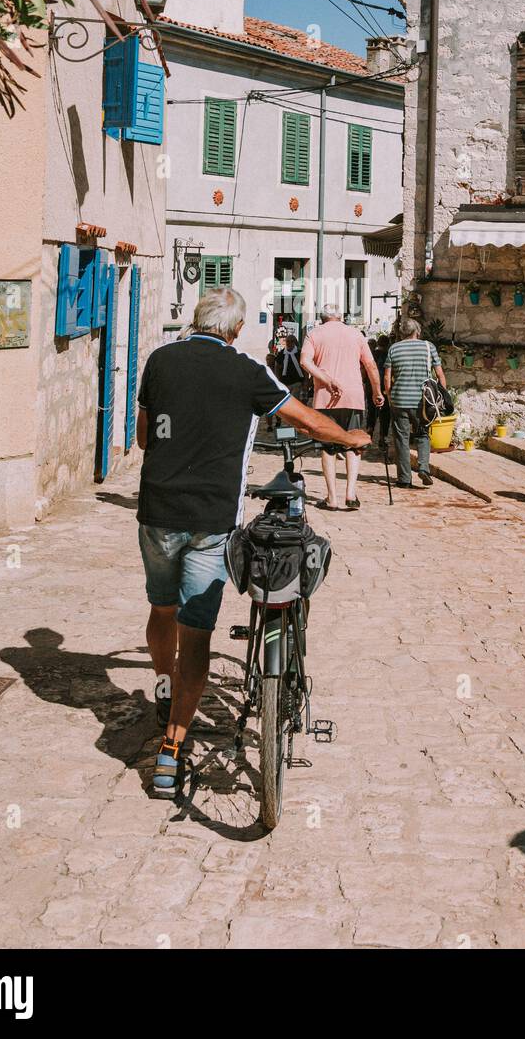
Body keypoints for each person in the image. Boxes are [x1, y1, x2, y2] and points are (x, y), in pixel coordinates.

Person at [136, 287, 369, 796]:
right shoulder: (246, 370)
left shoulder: (159, 361)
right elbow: (304, 418)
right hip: (212, 518)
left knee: (161, 609)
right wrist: (350, 438)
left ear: (196, 320)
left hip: (156, 512)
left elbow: (144, 437)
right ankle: (172, 751)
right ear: (237, 329)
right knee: (196, 634)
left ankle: (162, 682)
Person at [300, 304, 383, 511]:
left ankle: (332, 498)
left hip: (325, 398)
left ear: (322, 318)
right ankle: (351, 494)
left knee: (328, 447)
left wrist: (324, 378)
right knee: (354, 443)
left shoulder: (314, 334)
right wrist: (377, 392)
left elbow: (304, 361)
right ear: (341, 317)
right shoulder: (356, 334)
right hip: (353, 395)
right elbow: (371, 365)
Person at [384, 319, 448, 488]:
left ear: (401, 332)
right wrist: (441, 398)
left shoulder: (394, 348)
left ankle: (404, 479)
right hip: (423, 400)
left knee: (401, 439)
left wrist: (389, 396)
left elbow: (386, 377)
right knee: (422, 434)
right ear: (417, 331)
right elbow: (440, 375)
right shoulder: (429, 347)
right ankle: (424, 468)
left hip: (399, 399)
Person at [274, 332, 306, 400]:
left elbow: (304, 367)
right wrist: (278, 380)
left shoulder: (299, 353)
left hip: (297, 381)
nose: (289, 343)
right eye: (288, 341)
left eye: (291, 341)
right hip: (284, 382)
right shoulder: (281, 354)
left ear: (295, 342)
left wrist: (306, 382)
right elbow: (277, 367)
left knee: (295, 400)